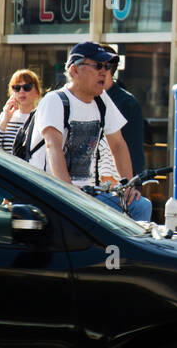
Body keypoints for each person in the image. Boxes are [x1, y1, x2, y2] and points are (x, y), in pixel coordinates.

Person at [33, 41, 152, 221]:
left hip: (88, 195)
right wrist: (70, 194)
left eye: (106, 66)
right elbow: (53, 147)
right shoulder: (55, 100)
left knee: (140, 206)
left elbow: (118, 144)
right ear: (74, 70)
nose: (104, 71)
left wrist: (127, 185)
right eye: (97, 65)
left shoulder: (101, 100)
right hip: (51, 193)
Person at [101, 49, 146, 174]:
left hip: (115, 182)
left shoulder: (127, 102)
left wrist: (132, 184)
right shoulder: (83, 99)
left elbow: (131, 148)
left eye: (104, 66)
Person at [0, 69, 42, 153]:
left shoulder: (41, 117)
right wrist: (5, 120)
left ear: (37, 92)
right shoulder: (5, 116)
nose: (21, 91)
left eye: (27, 87)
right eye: (16, 88)